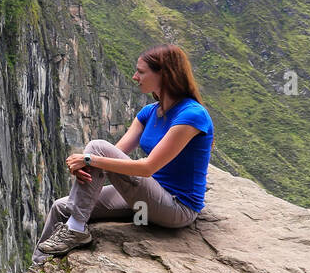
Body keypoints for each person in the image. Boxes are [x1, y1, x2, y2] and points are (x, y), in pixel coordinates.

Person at [34, 44, 214, 260]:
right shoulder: (149, 113)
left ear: (164, 74)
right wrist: (89, 166)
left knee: (96, 148)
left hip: (176, 207)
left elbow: (147, 168)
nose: (135, 76)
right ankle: (39, 266)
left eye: (141, 71)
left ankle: (76, 229)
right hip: (147, 200)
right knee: (61, 208)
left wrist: (90, 159)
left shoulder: (192, 115)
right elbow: (113, 157)